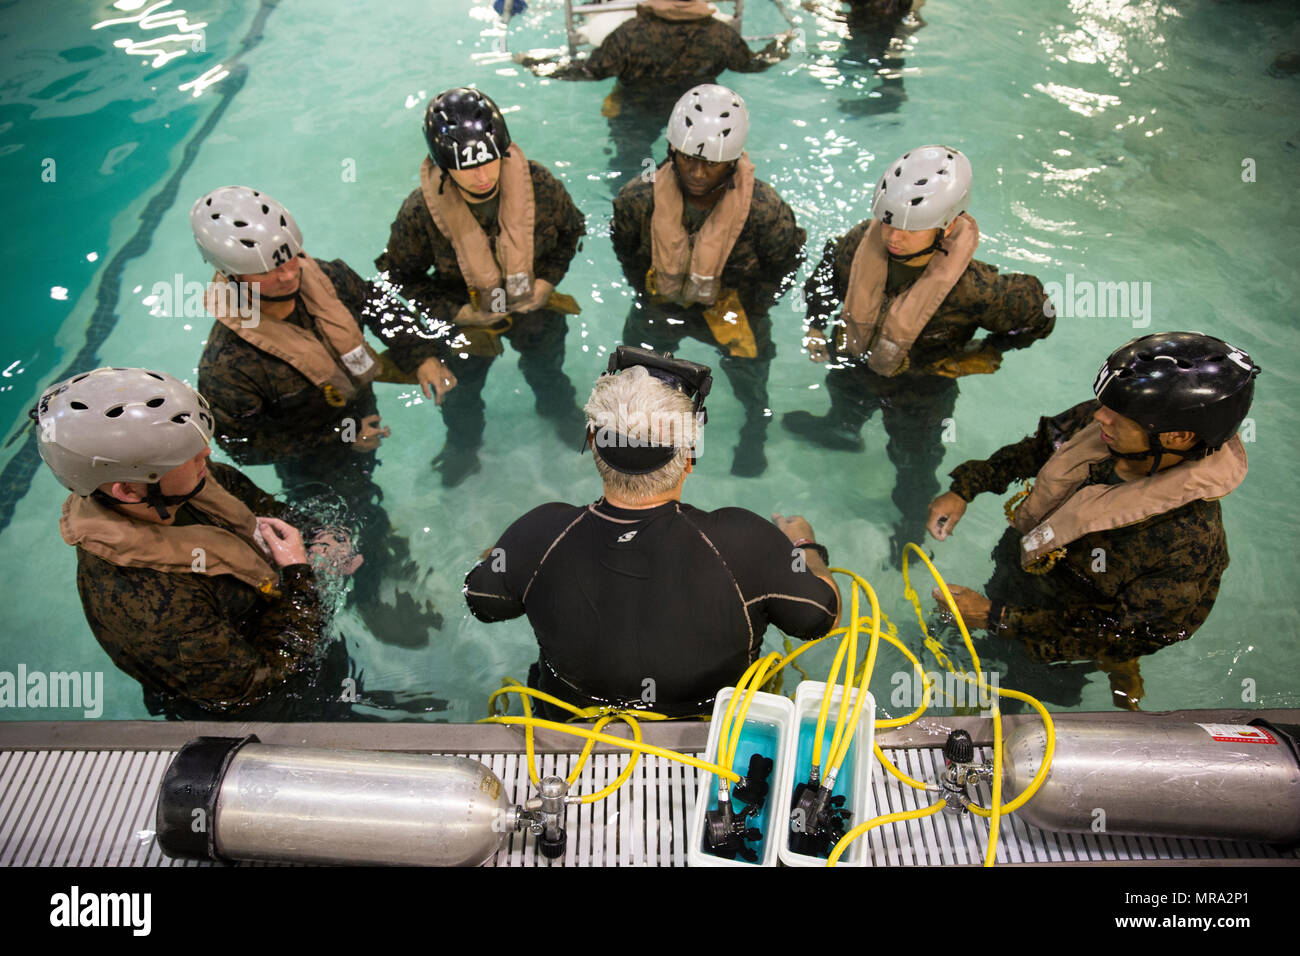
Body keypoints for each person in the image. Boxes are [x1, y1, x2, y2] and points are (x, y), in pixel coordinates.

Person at [464, 347, 841, 718]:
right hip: (711, 739)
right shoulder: (746, 542)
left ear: (593, 441)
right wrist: (804, 545)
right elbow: (820, 618)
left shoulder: (539, 534)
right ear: (690, 455)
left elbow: (483, 603)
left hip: (569, 727)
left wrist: (504, 551)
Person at [925, 332, 1259, 710]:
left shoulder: (1189, 543)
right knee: (965, 651)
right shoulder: (1104, 426)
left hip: (1066, 631)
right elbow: (1035, 450)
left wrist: (995, 617)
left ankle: (1116, 671)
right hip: (1024, 572)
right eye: (1106, 404)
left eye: (1119, 412)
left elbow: (1130, 632)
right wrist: (965, 489)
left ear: (1179, 436)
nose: (1100, 414)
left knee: (1016, 694)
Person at [193, 185, 449, 646]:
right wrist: (341, 436)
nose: (289, 274)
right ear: (230, 275)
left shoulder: (326, 277)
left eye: (291, 257)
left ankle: (379, 538)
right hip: (313, 457)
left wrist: (420, 354)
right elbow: (240, 447)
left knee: (367, 500)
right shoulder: (228, 364)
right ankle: (368, 597)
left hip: (358, 419)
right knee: (341, 523)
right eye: (270, 270)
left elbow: (379, 308)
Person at [782, 145, 1055, 563]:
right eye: (889, 221)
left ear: (947, 226)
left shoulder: (975, 287)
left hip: (923, 388)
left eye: (912, 227)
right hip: (858, 365)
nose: (893, 236)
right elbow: (825, 274)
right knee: (844, 408)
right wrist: (817, 324)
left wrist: (990, 349)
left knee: (915, 466)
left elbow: (1041, 314)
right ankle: (842, 433)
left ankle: (910, 531)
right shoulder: (861, 242)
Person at [35, 367, 353, 720]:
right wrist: (300, 576)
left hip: (284, 627)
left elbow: (272, 513)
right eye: (181, 453)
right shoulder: (147, 607)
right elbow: (257, 691)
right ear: (127, 490)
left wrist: (324, 540)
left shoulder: (193, 480)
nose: (206, 451)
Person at [376, 87, 587, 486]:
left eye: (490, 161)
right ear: (442, 164)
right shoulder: (420, 212)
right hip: (464, 315)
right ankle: (463, 444)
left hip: (532, 307)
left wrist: (546, 282)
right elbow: (398, 276)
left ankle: (559, 411)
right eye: (467, 167)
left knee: (548, 369)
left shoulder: (538, 185)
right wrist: (458, 313)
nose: (483, 176)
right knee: (459, 392)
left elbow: (572, 230)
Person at [613, 85, 805, 476]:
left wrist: (756, 306)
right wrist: (646, 290)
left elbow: (788, 259)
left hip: (731, 306)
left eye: (713, 164)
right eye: (688, 159)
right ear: (671, 152)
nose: (699, 173)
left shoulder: (764, 210)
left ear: (733, 162)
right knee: (633, 374)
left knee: (752, 380)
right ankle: (637, 445)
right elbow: (626, 246)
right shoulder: (639, 198)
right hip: (662, 302)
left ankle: (755, 428)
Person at [515, 0, 791, 193]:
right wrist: (784, 42)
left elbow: (590, 70)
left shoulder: (630, 34)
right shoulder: (720, 35)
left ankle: (635, 209)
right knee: (700, 173)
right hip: (697, 118)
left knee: (632, 168)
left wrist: (534, 63)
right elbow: (752, 63)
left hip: (636, 111)